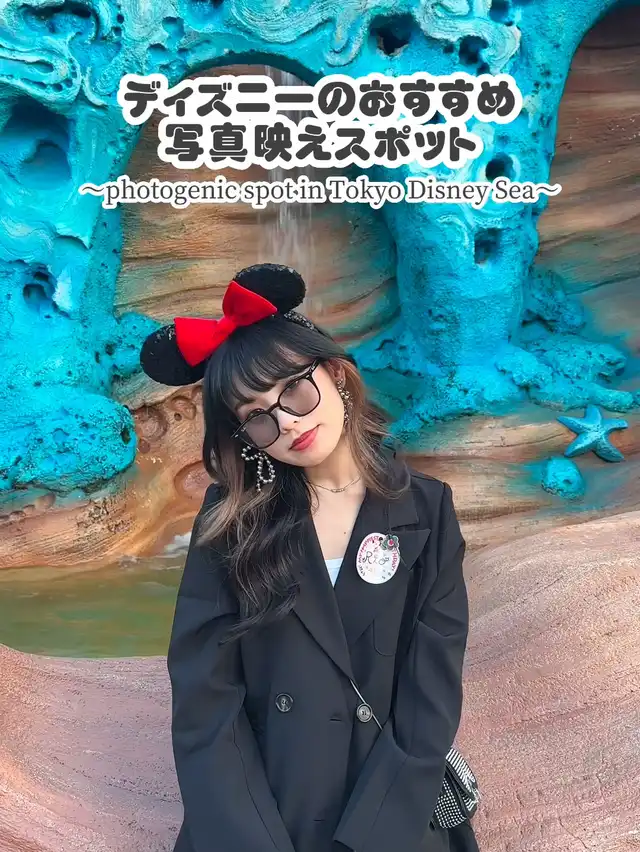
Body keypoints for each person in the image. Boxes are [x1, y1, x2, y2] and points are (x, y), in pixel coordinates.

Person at [140, 263, 480, 852]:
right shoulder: (232, 520)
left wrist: (370, 838)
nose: (287, 422)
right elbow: (205, 699)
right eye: (257, 417)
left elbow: (430, 695)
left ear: (336, 374)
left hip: (386, 808)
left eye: (294, 390)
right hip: (263, 808)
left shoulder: (426, 509)